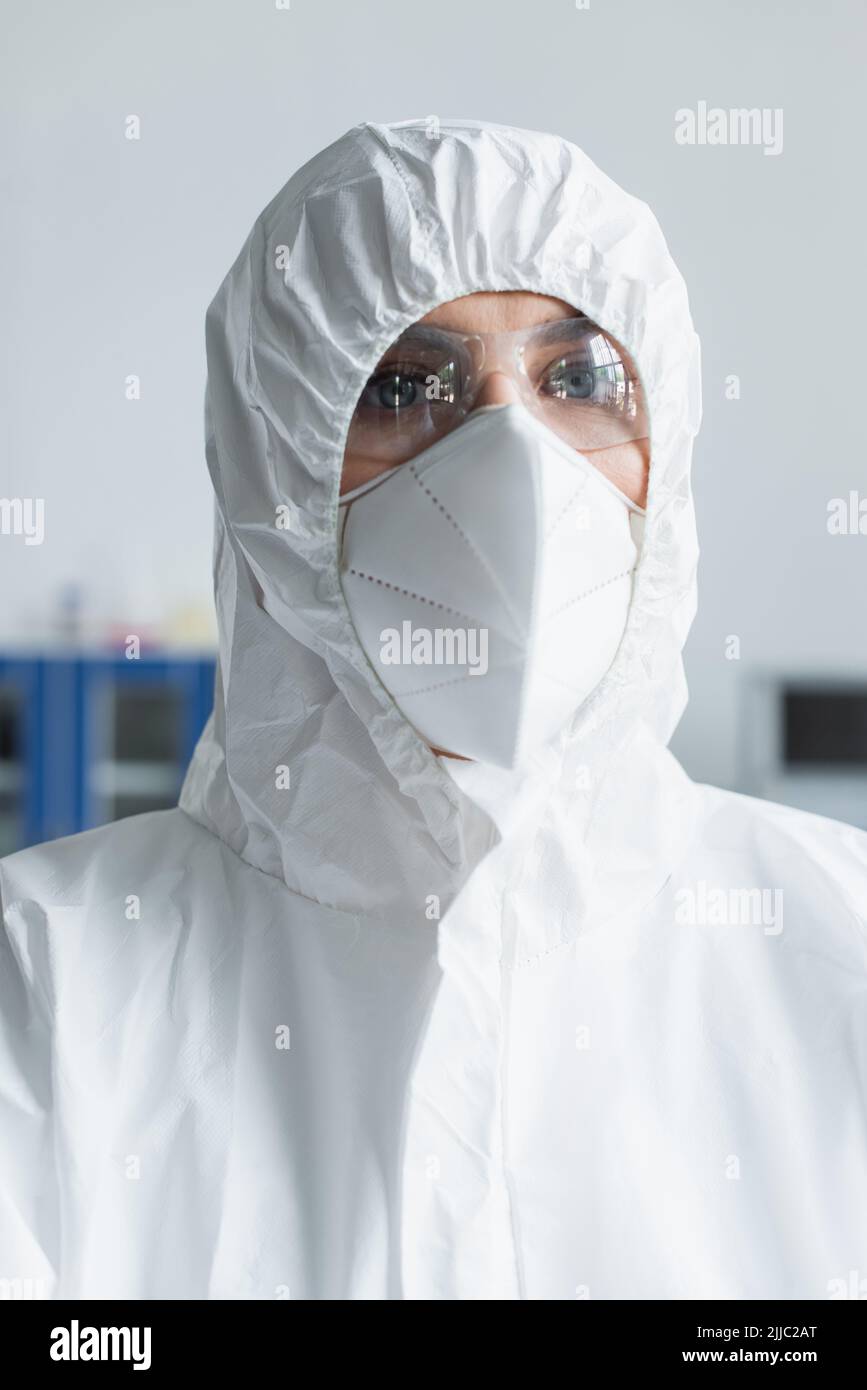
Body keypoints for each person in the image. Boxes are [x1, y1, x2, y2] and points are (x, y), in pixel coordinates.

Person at [1, 118, 865, 1301]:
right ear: (276, 475)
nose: (513, 455)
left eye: (579, 379)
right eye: (410, 387)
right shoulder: (43, 993)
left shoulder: (837, 950)